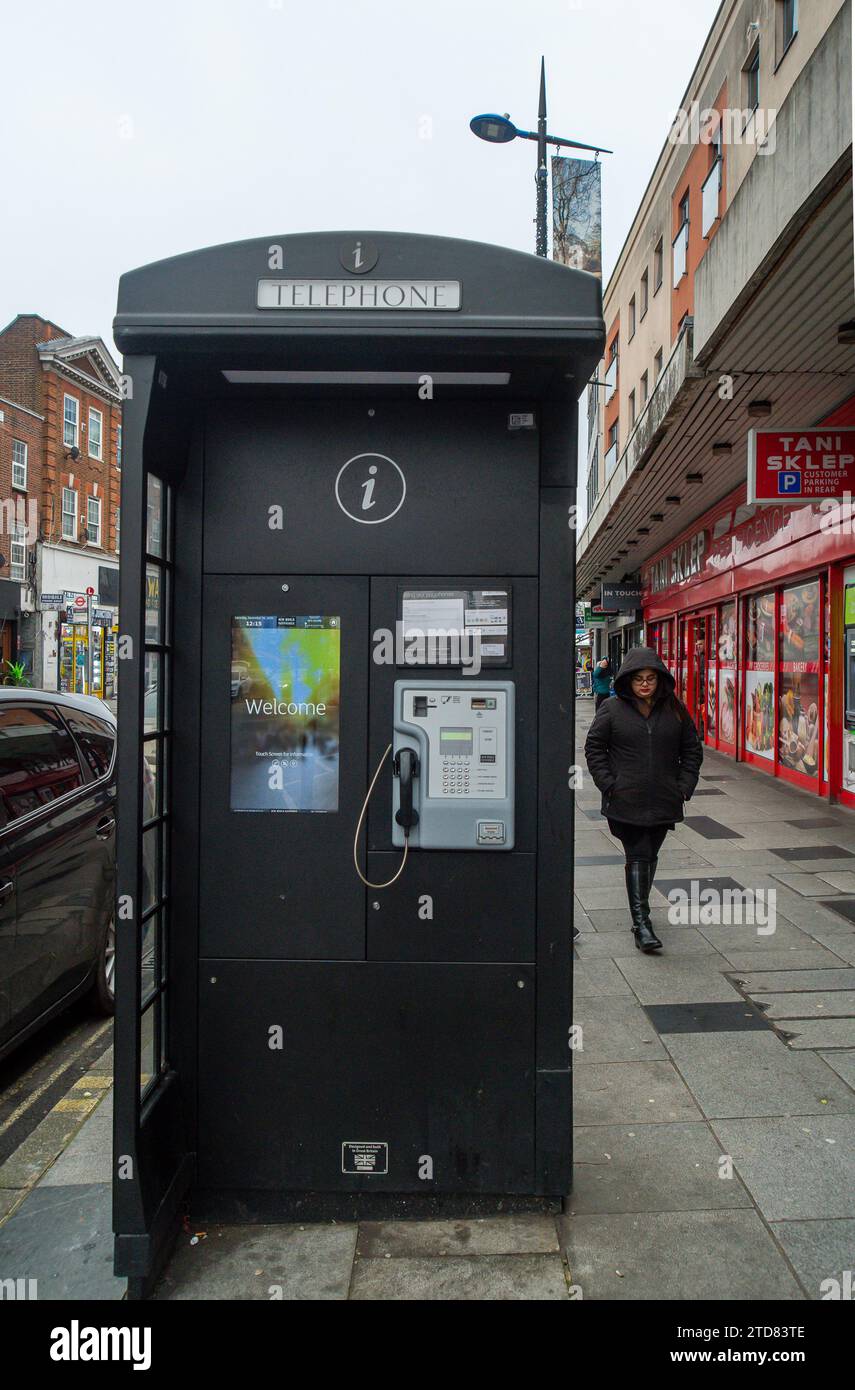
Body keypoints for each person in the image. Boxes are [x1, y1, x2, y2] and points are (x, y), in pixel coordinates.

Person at [584, 646, 703, 953]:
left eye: (650, 678)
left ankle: (641, 909)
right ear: (628, 681)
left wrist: (684, 787)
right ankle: (642, 924)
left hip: (664, 799)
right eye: (639, 679)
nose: (645, 684)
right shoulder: (611, 709)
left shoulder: (675, 709)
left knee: (649, 855)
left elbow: (692, 749)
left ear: (660, 679)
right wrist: (609, 784)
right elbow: (594, 748)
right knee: (637, 853)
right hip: (625, 799)